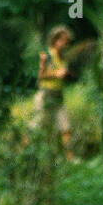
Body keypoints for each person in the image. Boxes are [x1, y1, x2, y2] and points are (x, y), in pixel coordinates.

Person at [29, 24, 76, 162]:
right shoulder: (47, 55)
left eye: (67, 42)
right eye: (63, 41)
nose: (66, 45)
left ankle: (70, 159)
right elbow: (41, 75)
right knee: (35, 126)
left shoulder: (64, 58)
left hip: (58, 96)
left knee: (66, 127)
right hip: (46, 95)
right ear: (56, 41)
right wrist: (57, 74)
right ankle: (23, 152)